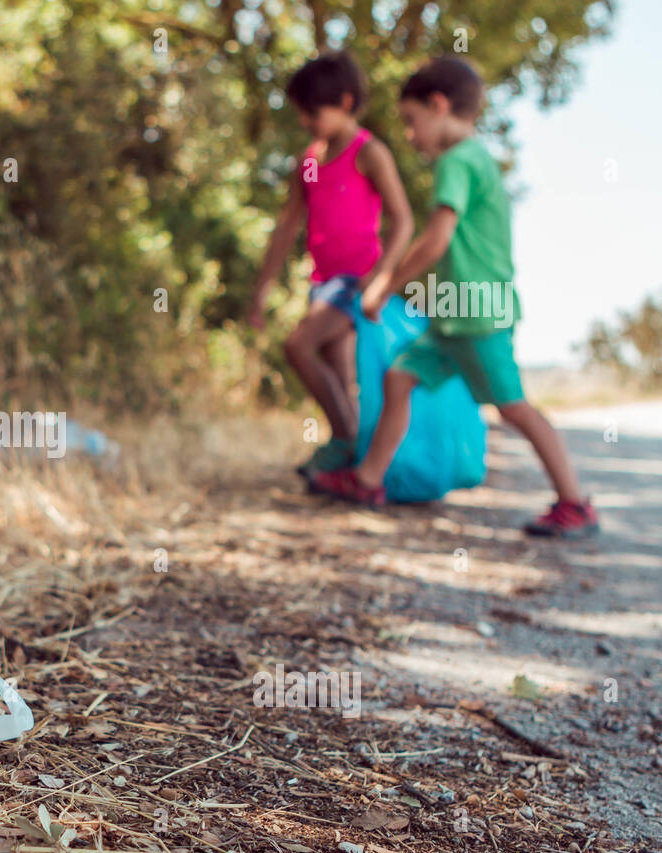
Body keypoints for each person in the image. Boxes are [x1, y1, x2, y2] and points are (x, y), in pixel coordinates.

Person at [310, 57, 599, 538]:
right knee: (400, 378)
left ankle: (574, 502)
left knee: (513, 407)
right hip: (452, 318)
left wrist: (386, 283)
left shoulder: (458, 161)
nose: (408, 134)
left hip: (479, 317)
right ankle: (367, 481)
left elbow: (437, 240)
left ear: (438, 106)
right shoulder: (476, 159)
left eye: (411, 121)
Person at [248, 50, 413, 478]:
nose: (305, 121)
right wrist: (263, 286)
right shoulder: (309, 162)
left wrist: (380, 277)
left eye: (312, 112)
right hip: (322, 282)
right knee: (339, 376)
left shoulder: (369, 153)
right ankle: (352, 463)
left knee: (298, 345)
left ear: (343, 102)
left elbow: (404, 219)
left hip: (355, 282)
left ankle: (345, 443)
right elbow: (289, 224)